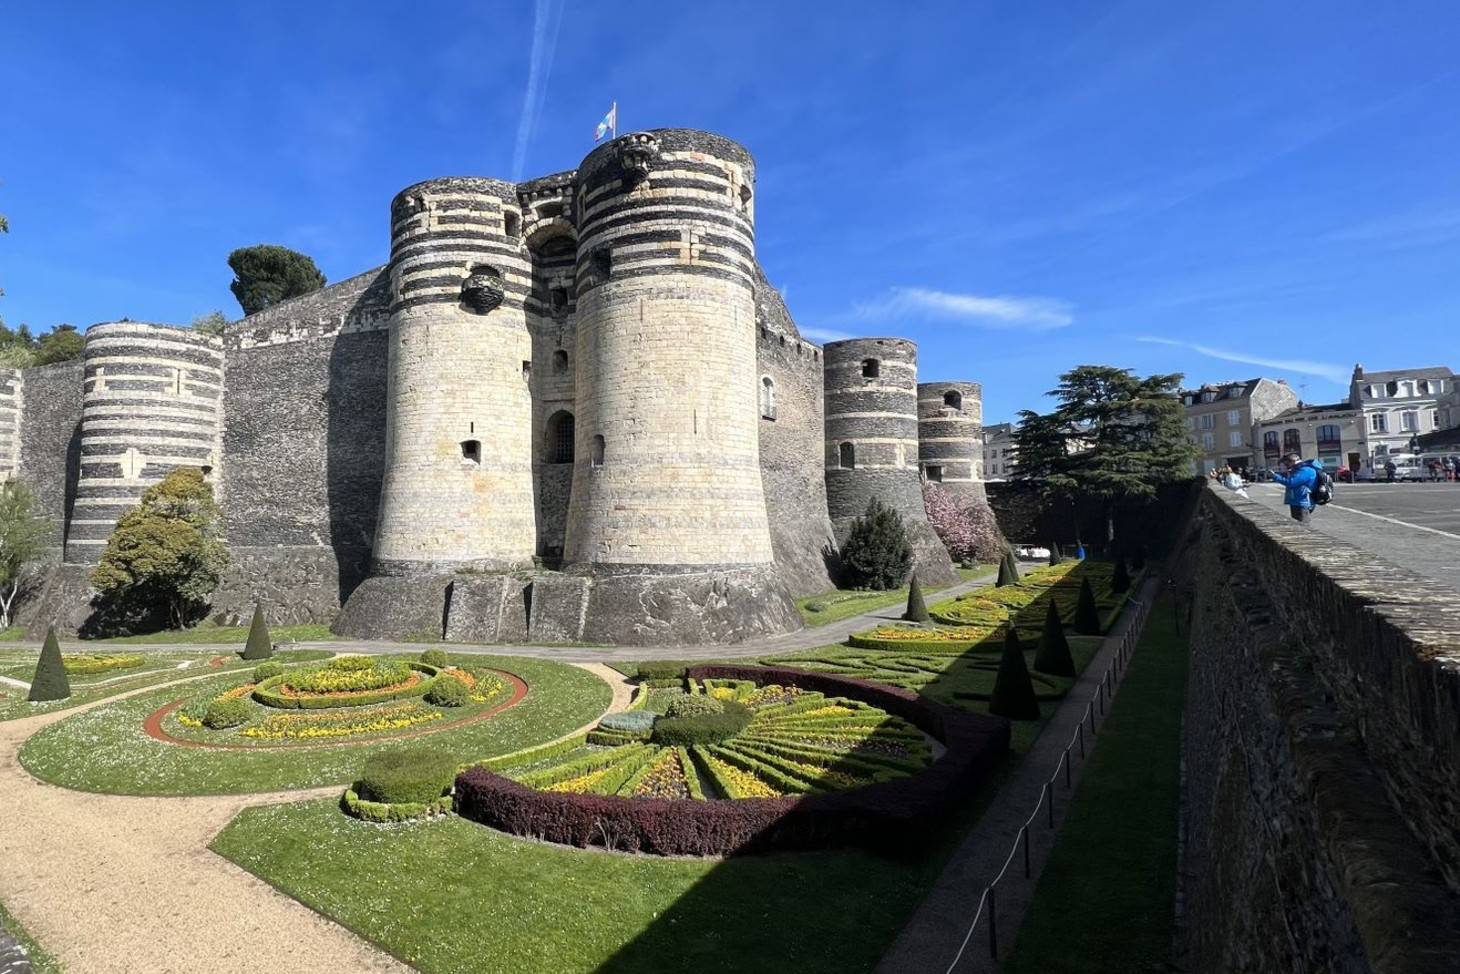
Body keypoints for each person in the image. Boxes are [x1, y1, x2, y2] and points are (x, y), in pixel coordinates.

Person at [1272, 453, 1319, 524]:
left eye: (1287, 464)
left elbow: (1291, 482)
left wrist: (1276, 477)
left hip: (1303, 502)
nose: (1287, 466)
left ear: (1293, 461)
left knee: (1303, 525)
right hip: (1296, 501)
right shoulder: (1297, 470)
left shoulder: (1305, 470)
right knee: (1297, 524)